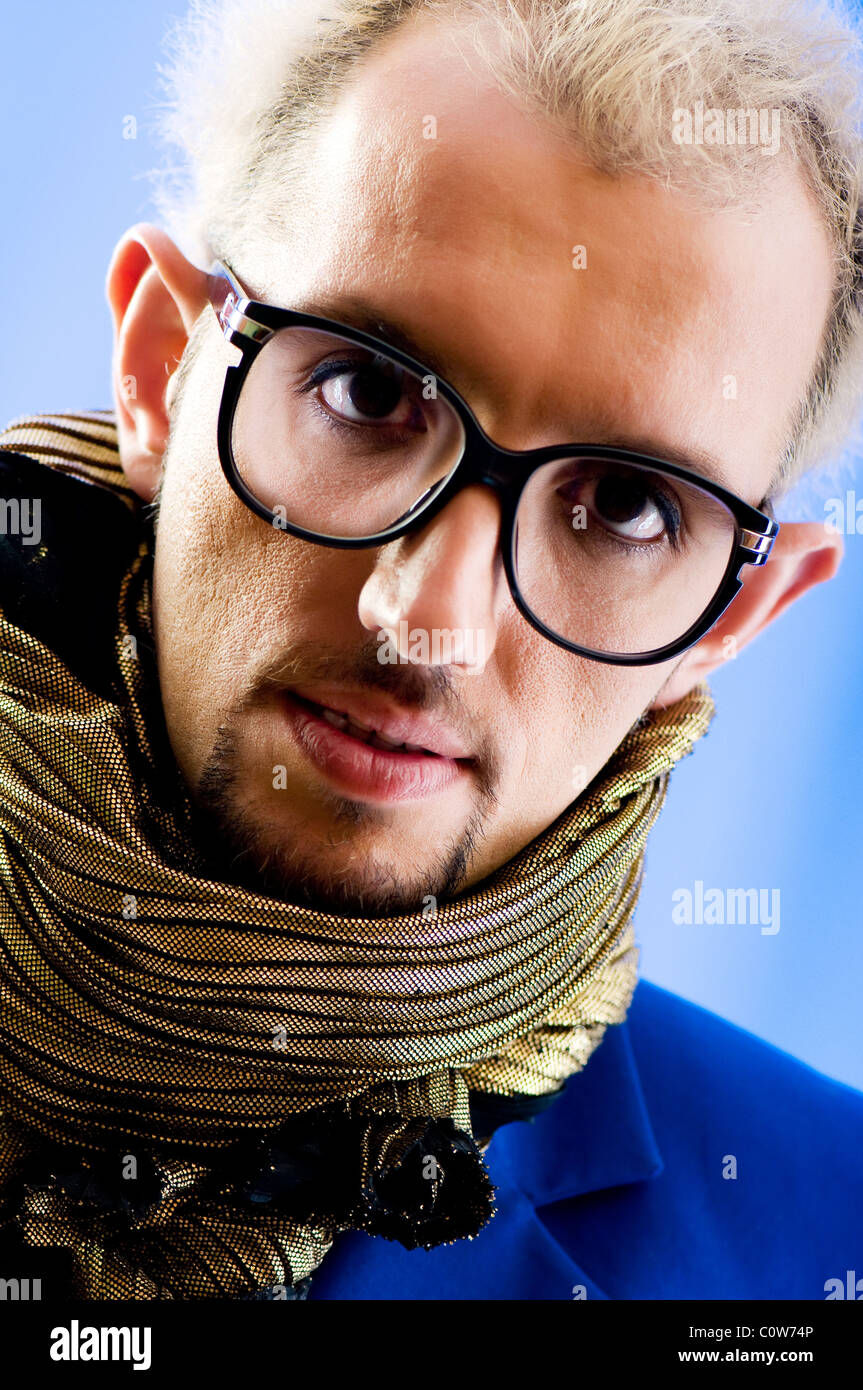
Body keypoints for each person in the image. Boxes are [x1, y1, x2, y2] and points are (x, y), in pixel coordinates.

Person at [0, 0, 861, 1302]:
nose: (433, 614)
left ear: (735, 617)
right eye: (365, 391)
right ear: (162, 365)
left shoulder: (823, 1239)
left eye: (623, 507)